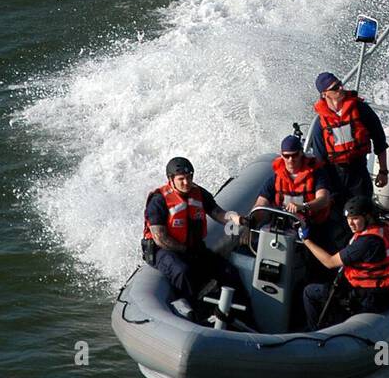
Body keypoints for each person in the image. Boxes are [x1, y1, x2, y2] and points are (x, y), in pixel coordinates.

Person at [142, 156, 244, 318]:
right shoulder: (159, 200)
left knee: (227, 270)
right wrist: (185, 250)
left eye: (189, 178)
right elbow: (159, 237)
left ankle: (238, 311)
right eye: (181, 179)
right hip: (164, 251)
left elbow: (217, 213)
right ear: (171, 180)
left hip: (191, 248)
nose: (186, 182)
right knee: (182, 271)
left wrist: (236, 219)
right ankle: (195, 313)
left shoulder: (199, 193)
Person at [300, 196, 389, 331]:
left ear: (368, 217)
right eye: (348, 219)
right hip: (385, 294)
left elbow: (329, 262)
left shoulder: (367, 242)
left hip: (368, 299)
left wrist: (306, 240)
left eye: (355, 218)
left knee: (310, 292)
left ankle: (313, 333)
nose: (351, 223)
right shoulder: (387, 228)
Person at [252, 135, 338, 254]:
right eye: (287, 156)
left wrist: (304, 206)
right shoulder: (275, 178)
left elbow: (323, 199)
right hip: (283, 226)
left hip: (312, 226)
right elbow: (261, 202)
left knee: (319, 259)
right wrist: (250, 223)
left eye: (294, 155)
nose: (291, 160)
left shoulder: (317, 174)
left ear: (301, 153)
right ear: (282, 155)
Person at [312, 72, 389, 202]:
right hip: (334, 176)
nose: (341, 88)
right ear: (324, 94)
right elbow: (320, 158)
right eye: (335, 87)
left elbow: (379, 140)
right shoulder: (320, 123)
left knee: (360, 211)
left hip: (358, 172)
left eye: (340, 84)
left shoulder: (361, 110)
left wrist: (383, 171)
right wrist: (323, 187)